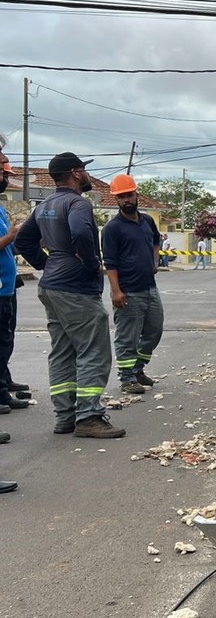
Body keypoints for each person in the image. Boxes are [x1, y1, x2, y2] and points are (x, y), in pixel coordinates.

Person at [14, 152, 124, 439]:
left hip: (51, 286)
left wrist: (45, 263)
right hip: (75, 288)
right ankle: (88, 416)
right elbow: (80, 232)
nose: (87, 176)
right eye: (84, 171)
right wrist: (89, 264)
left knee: (62, 351)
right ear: (76, 173)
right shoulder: (78, 203)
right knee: (93, 351)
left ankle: (65, 416)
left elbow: (24, 239)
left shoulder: (45, 205)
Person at [101, 174, 164, 395]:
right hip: (128, 292)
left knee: (154, 330)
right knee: (127, 337)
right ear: (116, 200)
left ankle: (137, 369)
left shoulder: (147, 220)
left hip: (149, 288)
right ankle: (127, 378)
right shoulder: (112, 229)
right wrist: (115, 291)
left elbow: (156, 240)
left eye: (129, 195)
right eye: (121, 197)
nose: (126, 200)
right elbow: (110, 263)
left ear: (136, 194)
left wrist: (155, 261)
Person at [0, 142, 31, 421]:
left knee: (6, 339)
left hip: (7, 286)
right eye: (3, 172)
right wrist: (9, 238)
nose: (6, 179)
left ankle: (4, 381)